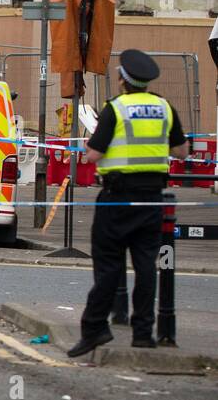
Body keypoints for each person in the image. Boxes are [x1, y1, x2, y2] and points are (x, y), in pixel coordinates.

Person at [67, 49, 187, 357]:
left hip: (117, 199)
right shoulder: (164, 107)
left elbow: (92, 155)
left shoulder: (115, 109)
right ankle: (143, 334)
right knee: (147, 265)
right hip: (152, 199)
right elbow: (182, 151)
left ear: (122, 80)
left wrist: (91, 142)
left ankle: (95, 328)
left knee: (108, 265)